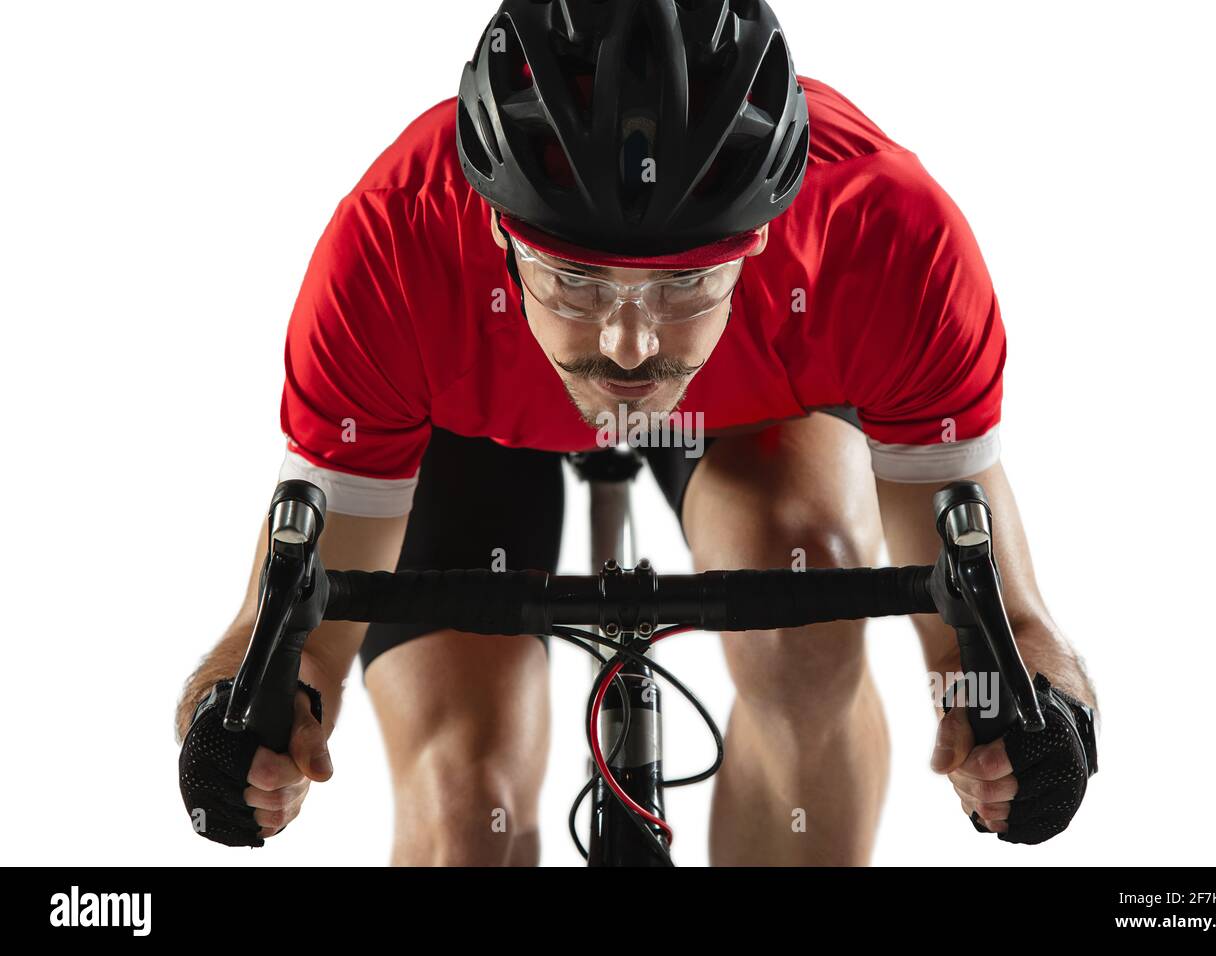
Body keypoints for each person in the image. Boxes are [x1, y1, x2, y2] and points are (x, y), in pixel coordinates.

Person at [177, 0, 1097, 865]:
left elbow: (999, 624)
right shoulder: (392, 245)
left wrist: (1019, 713)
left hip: (749, 414)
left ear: (768, 236)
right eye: (574, 279)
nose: (627, 345)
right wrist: (250, 719)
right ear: (496, 228)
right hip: (469, 427)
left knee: (807, 614)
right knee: (467, 812)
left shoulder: (883, 231)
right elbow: (291, 640)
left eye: (686, 283)